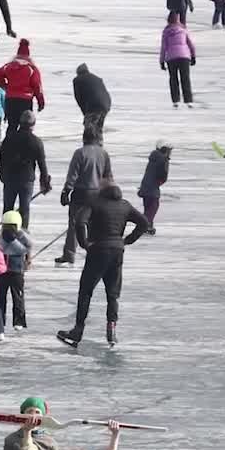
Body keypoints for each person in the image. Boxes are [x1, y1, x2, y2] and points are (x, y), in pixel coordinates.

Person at [60, 180, 150, 349]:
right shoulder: (124, 205)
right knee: (113, 293)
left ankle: (78, 331)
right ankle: (111, 330)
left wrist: (84, 244)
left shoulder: (94, 203)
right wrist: (127, 240)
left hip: (98, 250)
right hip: (117, 251)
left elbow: (80, 222)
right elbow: (144, 222)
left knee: (86, 291)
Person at [57, 122, 110, 267]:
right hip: (98, 193)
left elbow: (72, 175)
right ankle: (95, 253)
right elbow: (108, 176)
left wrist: (66, 191)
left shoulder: (80, 153)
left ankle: (69, 254)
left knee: (74, 224)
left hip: (81, 193)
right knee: (95, 225)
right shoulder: (103, 153)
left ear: (84, 137)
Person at [0, 114, 49, 249]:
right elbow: (41, 164)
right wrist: (45, 182)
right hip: (26, 179)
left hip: (10, 178)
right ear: (33, 124)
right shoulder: (36, 141)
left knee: (7, 208)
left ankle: (5, 237)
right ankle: (23, 237)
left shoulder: (9, 138)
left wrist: (2, 173)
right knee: (24, 210)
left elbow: (2, 156)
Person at [0, 38, 46, 133]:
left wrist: (5, 86)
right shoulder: (31, 69)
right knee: (25, 126)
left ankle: (8, 146)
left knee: (12, 125)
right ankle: (23, 146)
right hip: (25, 101)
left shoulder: (8, 66)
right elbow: (37, 86)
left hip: (10, 100)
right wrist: (40, 102)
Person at [0, 210, 33, 332]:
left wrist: (13, 241)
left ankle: (19, 321)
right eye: (6, 226)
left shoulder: (22, 236)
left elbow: (25, 249)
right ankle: (0, 320)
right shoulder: (0, 236)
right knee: (0, 296)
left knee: (17, 296)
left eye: (11, 227)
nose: (8, 229)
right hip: (2, 270)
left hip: (16, 270)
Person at [159, 12, 198, 108]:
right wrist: (193, 56)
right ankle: (188, 100)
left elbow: (164, 47)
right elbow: (190, 44)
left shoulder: (166, 31)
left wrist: (161, 61)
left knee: (173, 79)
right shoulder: (183, 29)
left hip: (171, 58)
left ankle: (175, 100)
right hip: (184, 57)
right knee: (185, 78)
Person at [137, 141, 171, 232]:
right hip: (152, 187)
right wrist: (158, 183)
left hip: (145, 186)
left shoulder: (153, 158)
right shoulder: (163, 160)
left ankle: (148, 225)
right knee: (153, 207)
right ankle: (145, 225)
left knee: (148, 207)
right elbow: (163, 176)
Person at [73, 63, 111, 141]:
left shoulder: (78, 80)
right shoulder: (97, 78)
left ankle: (88, 148)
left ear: (78, 72)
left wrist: (85, 114)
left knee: (89, 129)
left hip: (94, 105)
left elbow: (79, 98)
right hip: (106, 104)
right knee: (98, 128)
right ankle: (99, 146)